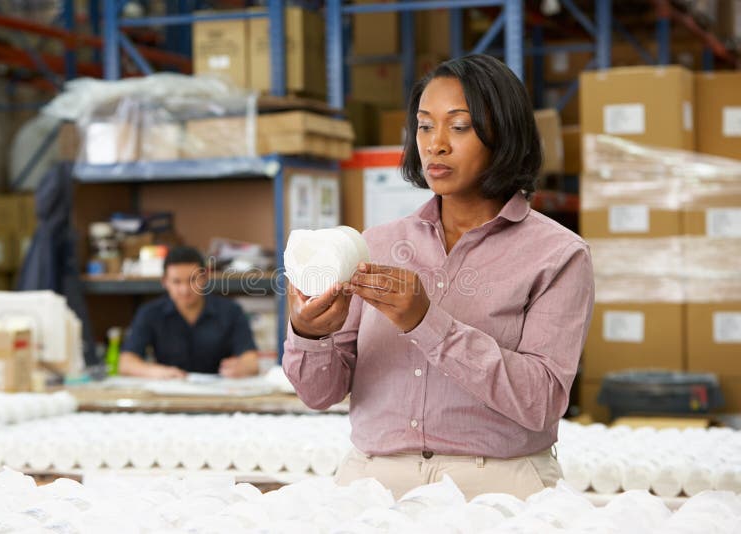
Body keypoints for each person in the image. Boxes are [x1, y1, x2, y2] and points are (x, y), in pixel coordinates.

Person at [283, 54, 594, 500]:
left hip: (496, 486)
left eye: (459, 126)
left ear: (505, 134)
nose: (436, 145)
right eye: (425, 126)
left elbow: (541, 401)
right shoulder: (378, 244)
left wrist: (426, 322)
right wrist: (310, 335)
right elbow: (319, 395)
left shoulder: (557, 255)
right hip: (373, 483)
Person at [119, 246, 259, 379]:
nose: (185, 290)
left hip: (220, 390)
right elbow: (126, 363)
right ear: (165, 281)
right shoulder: (150, 313)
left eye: (192, 280)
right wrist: (155, 371)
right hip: (170, 388)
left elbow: (251, 360)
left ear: (204, 278)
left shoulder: (231, 311)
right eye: (176, 282)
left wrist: (242, 367)